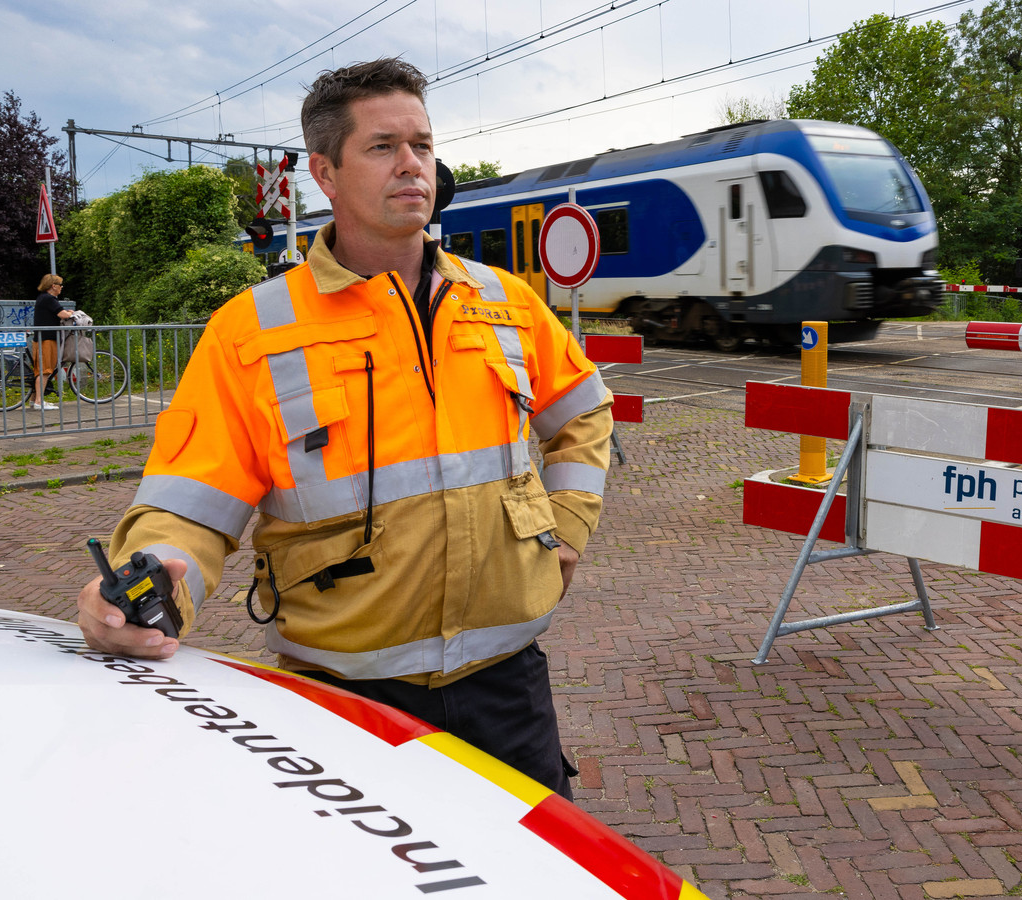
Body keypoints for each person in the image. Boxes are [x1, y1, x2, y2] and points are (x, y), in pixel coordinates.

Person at [76, 57, 613, 799]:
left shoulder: (505, 301)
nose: (412, 166)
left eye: (422, 145)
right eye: (383, 146)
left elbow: (583, 411)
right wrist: (160, 575)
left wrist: (568, 529)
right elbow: (189, 499)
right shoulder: (253, 331)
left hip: (508, 686)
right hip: (345, 697)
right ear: (325, 174)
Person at [31, 274, 72, 410]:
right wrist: (72, 313)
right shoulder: (49, 299)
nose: (61, 288)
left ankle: (34, 400)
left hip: (41, 338)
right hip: (47, 339)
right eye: (60, 285)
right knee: (45, 371)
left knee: (39, 370)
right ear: (53, 286)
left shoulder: (42, 298)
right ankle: (38, 402)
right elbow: (63, 315)